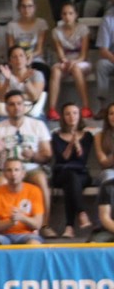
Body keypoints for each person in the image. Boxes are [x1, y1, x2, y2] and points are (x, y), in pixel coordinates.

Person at [0, 89, 53, 236]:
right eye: (12, 104)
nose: (16, 107)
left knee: (41, 179)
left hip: (31, 168)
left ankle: (43, 226)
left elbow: (47, 155)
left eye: (19, 104)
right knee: (2, 183)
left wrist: (34, 155)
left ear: (25, 106)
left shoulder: (37, 125)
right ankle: (5, 227)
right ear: (6, 107)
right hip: (5, 170)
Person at [51, 102, 94, 238]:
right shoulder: (56, 136)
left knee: (71, 182)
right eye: (67, 114)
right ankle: (81, 213)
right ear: (63, 117)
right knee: (70, 177)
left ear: (79, 115)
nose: (71, 116)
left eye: (75, 113)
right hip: (61, 174)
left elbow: (82, 160)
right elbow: (62, 159)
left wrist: (77, 143)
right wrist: (71, 144)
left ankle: (69, 227)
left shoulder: (87, 136)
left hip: (81, 174)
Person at [48, 2, 93, 120]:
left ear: (76, 15)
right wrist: (64, 61)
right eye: (64, 14)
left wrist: (75, 62)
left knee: (76, 68)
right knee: (55, 70)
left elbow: (84, 54)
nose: (67, 17)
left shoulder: (83, 29)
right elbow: (60, 53)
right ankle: (52, 109)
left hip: (81, 61)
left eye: (70, 13)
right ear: (61, 16)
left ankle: (86, 107)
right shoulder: (56, 31)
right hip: (65, 60)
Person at [0, 157, 45, 245]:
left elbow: (37, 224)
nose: (13, 173)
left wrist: (22, 217)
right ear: (4, 174)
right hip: (4, 235)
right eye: (9, 170)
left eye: (16, 170)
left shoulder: (34, 191)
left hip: (27, 234)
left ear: (23, 173)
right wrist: (11, 222)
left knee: (34, 243)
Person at [6, 0, 49, 78]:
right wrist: (21, 59)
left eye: (30, 6)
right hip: (17, 59)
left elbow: (39, 49)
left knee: (44, 71)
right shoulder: (11, 26)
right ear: (18, 8)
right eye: (23, 6)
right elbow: (11, 49)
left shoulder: (41, 24)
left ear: (34, 8)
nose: (26, 9)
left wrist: (30, 57)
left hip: (35, 58)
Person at [0, 46, 46, 119]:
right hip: (9, 114)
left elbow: (35, 97)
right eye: (14, 57)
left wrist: (26, 81)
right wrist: (7, 80)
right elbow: (1, 98)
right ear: (10, 61)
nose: (18, 59)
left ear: (26, 59)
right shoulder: (3, 75)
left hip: (32, 112)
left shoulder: (36, 74)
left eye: (21, 56)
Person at [96, 12, 114, 111]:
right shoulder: (108, 19)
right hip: (112, 58)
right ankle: (103, 108)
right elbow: (103, 50)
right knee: (101, 65)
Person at [96, 101, 114, 187]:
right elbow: (103, 162)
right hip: (108, 171)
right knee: (109, 177)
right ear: (107, 117)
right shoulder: (99, 136)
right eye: (111, 114)